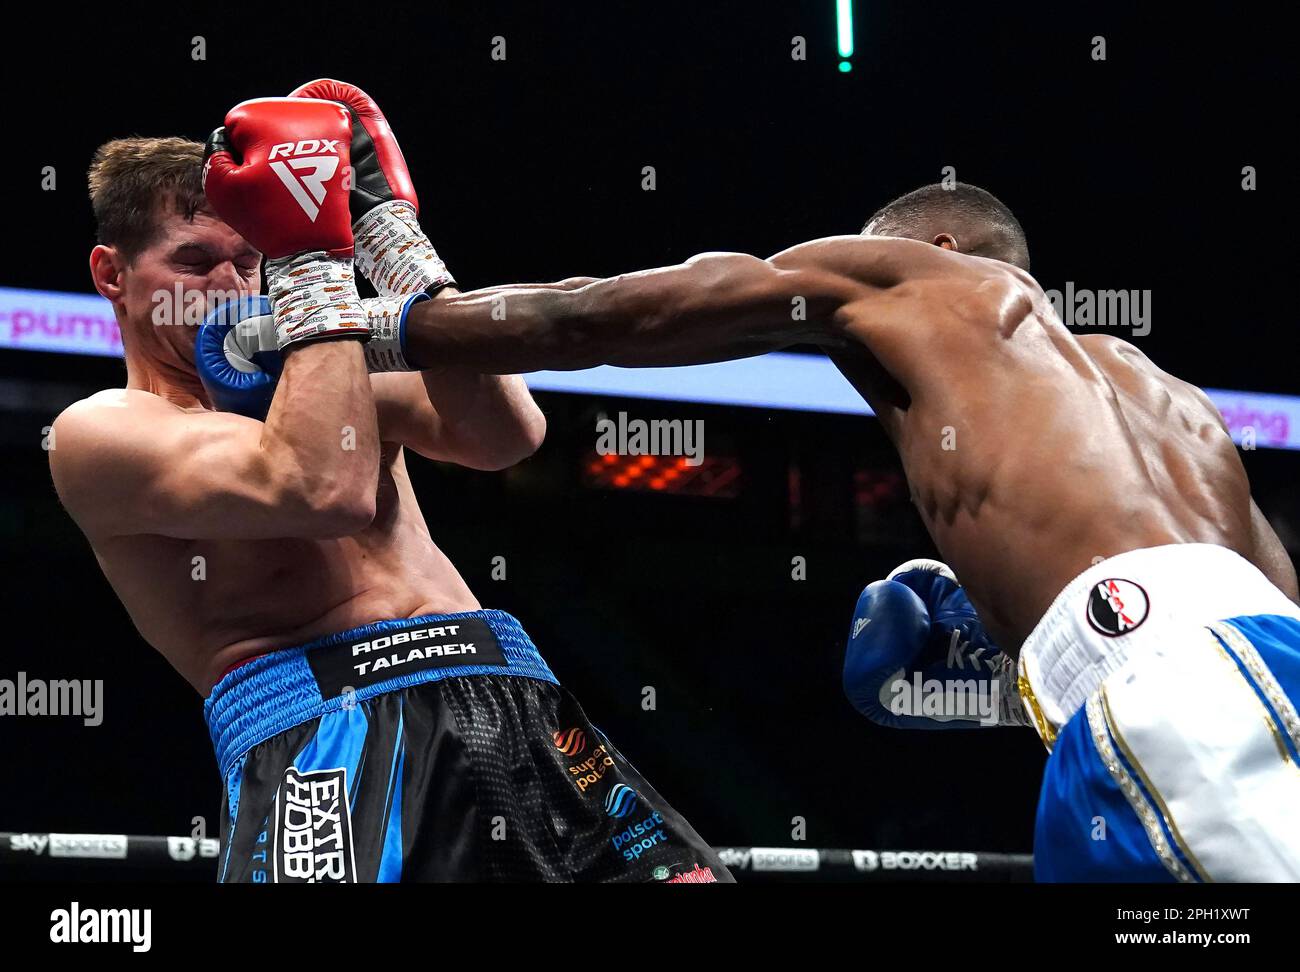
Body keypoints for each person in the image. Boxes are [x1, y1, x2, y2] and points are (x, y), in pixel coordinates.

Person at [364, 181, 1300, 881]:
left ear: (935, 245)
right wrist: (1023, 675)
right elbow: (1247, 625)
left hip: (1174, 706)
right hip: (1166, 701)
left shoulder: (918, 276)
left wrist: (383, 318)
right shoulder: (1164, 397)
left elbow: (605, 313)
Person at [48, 82, 730, 884]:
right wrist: (310, 261)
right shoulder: (101, 432)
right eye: (194, 262)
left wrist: (386, 240)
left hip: (519, 699)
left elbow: (505, 433)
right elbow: (323, 491)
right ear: (111, 275)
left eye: (251, 258)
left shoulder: (319, 361)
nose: (233, 288)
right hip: (331, 744)